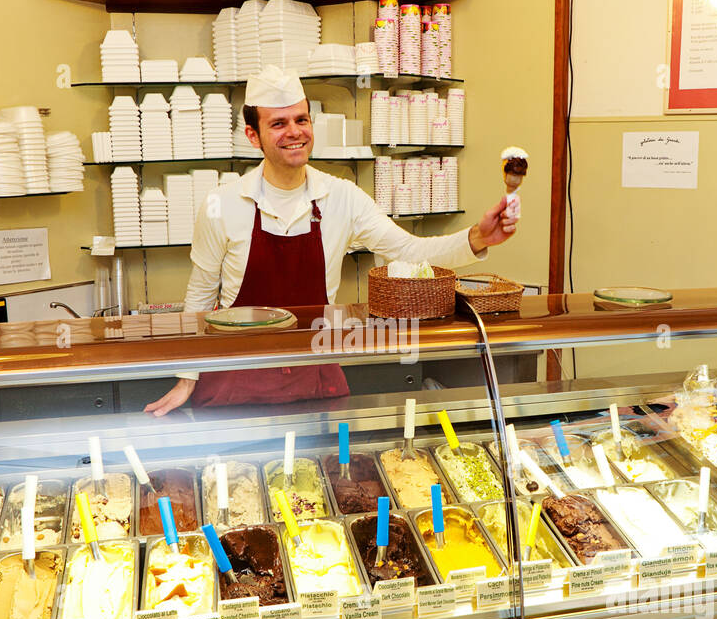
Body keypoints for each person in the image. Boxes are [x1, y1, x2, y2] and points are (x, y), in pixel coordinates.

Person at [144, 66, 520, 415]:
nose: (294, 132)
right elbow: (200, 299)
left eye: (301, 119)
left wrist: (475, 237)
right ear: (252, 135)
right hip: (238, 376)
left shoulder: (342, 197)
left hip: (315, 372)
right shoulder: (221, 203)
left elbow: (409, 252)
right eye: (278, 123)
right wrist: (186, 378)